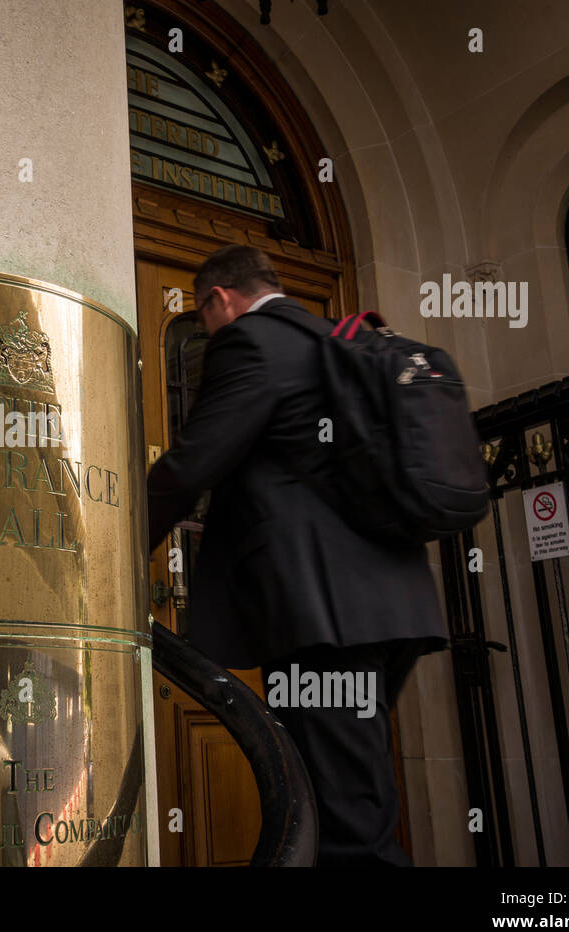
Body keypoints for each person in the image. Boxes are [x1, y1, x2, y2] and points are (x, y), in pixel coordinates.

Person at [146, 243, 450, 866]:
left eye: (203, 319)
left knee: (345, 824)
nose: (207, 331)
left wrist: (119, 547)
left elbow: (193, 465)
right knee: (341, 794)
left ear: (220, 300)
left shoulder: (251, 340)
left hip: (322, 620)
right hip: (391, 611)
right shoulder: (335, 342)